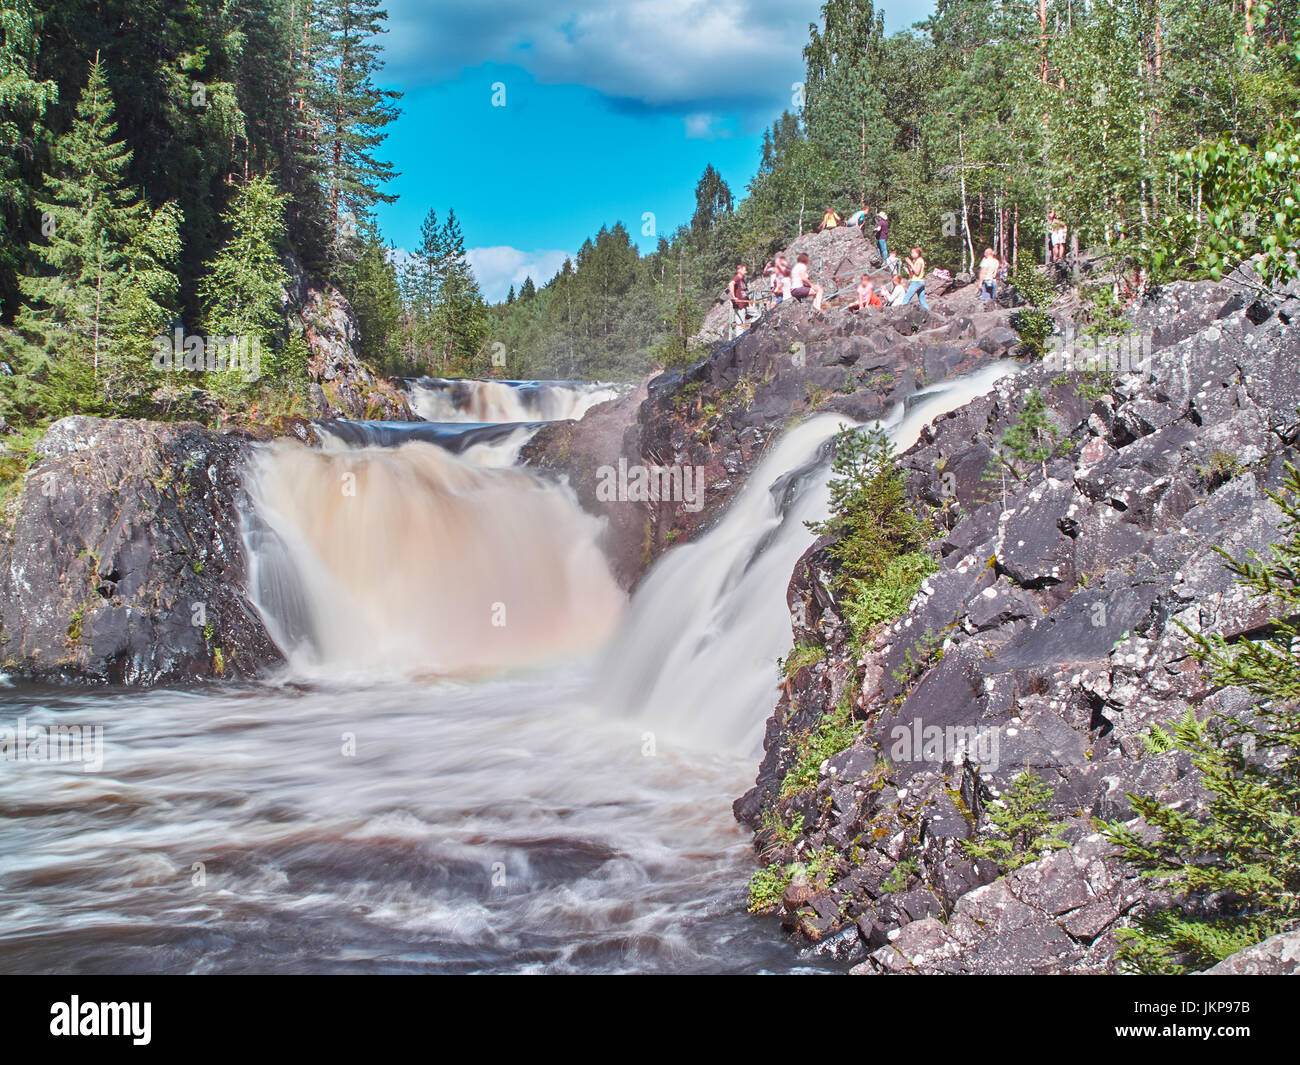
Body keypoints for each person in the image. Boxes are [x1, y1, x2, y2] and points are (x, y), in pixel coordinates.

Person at [727, 263, 756, 338]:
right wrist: (734, 297)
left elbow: (744, 294)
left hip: (745, 304)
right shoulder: (737, 277)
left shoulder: (742, 280)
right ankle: (738, 340)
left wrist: (750, 304)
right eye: (744, 270)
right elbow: (730, 284)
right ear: (739, 270)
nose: (746, 272)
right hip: (739, 305)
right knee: (740, 324)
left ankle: (752, 328)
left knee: (757, 315)